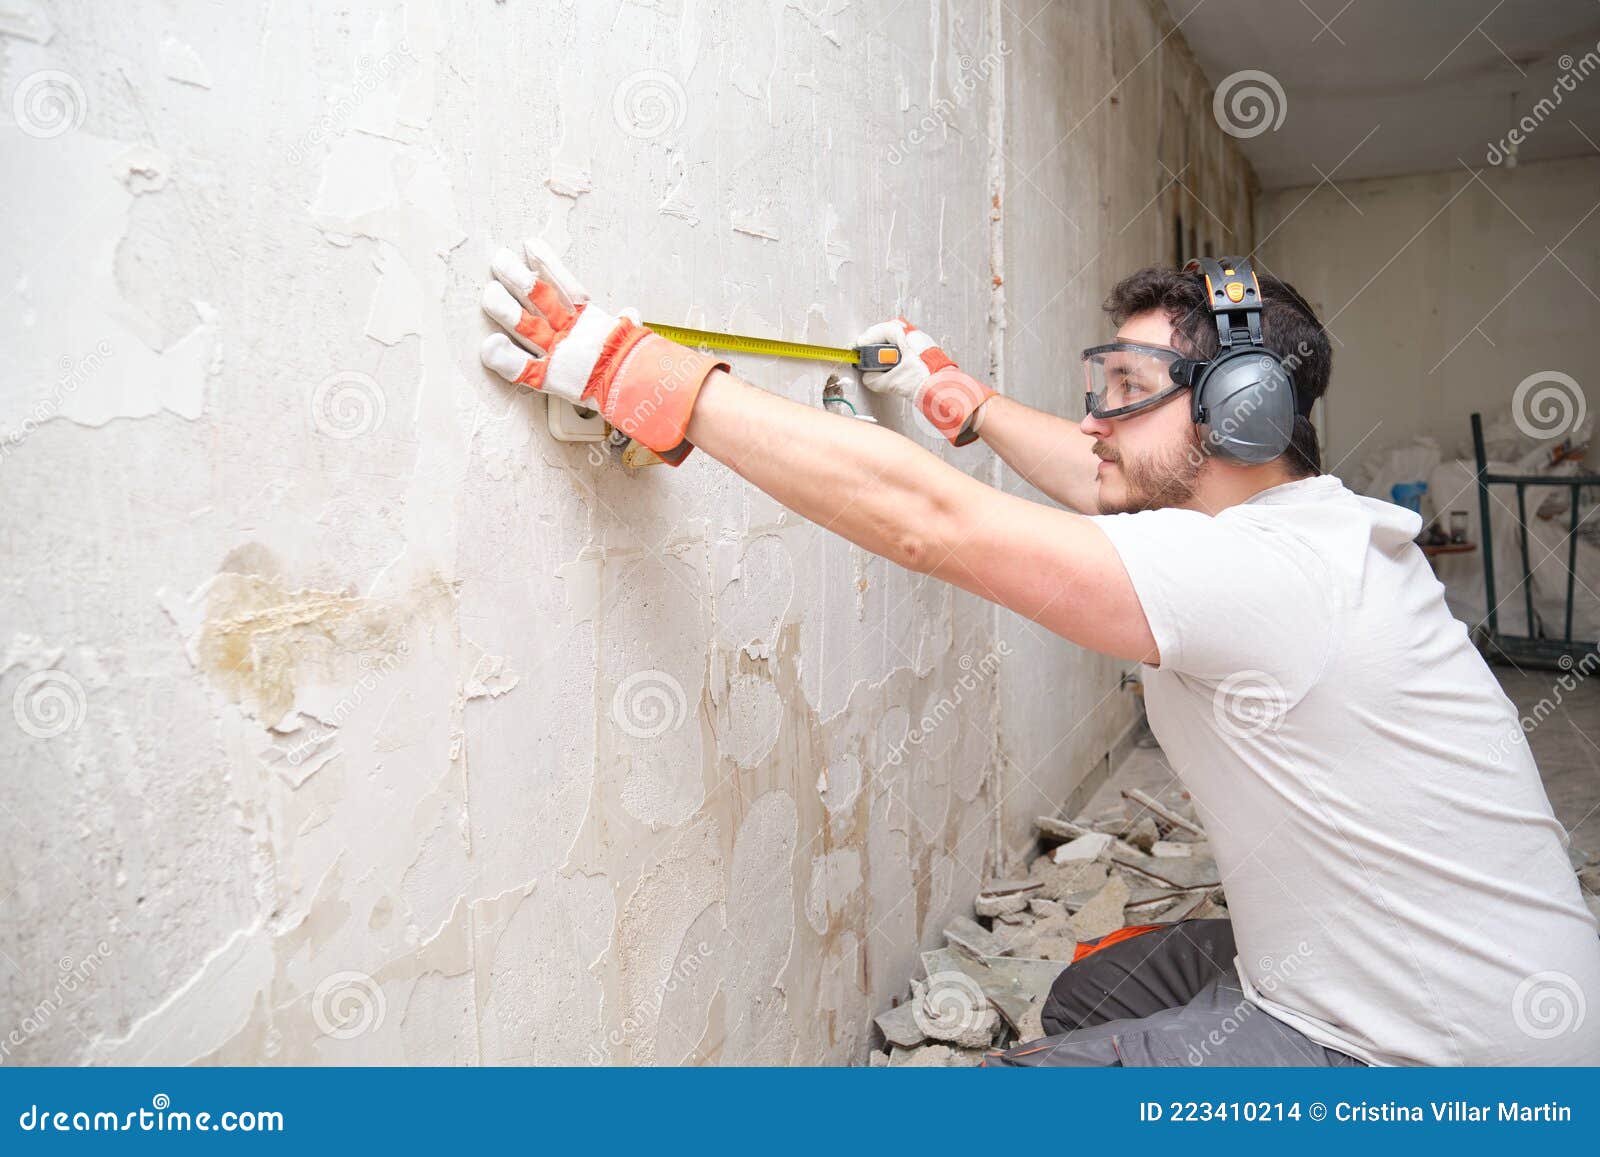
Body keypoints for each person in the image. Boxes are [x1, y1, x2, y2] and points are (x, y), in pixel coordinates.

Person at [478, 242, 1600, 1066]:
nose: (1094, 423)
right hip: (1496, 992)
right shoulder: (1296, 521)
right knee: (1085, 990)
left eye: (1122, 393)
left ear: (1241, 410)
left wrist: (638, 372)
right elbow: (1094, 472)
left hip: (1439, 1065)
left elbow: (936, 525)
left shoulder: (1265, 575)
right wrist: (958, 400)